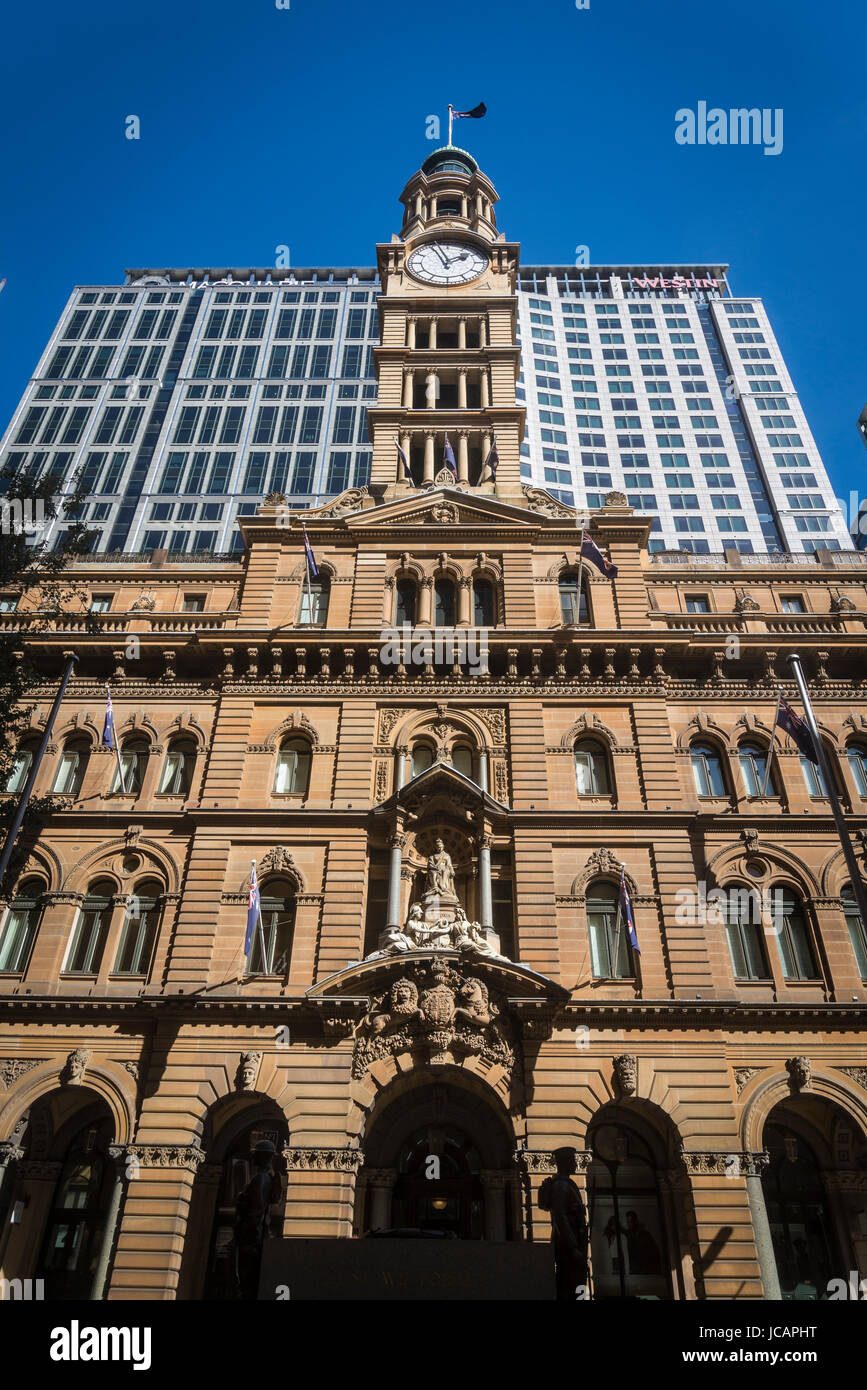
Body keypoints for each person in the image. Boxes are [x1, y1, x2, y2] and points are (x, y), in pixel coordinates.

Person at [233, 1140, 283, 1300]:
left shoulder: (261, 1178)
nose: (253, 1155)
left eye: (257, 1152)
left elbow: (256, 1212)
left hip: (251, 1240)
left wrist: (247, 1238)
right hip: (256, 1239)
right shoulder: (266, 1177)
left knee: (246, 1283)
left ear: (264, 1155)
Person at [541, 1147, 588, 1301]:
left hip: (572, 1242)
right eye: (573, 1160)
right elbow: (560, 1216)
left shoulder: (566, 1183)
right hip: (568, 1245)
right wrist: (573, 1246)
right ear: (566, 1162)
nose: (575, 1163)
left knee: (575, 1283)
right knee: (572, 1283)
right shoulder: (561, 1185)